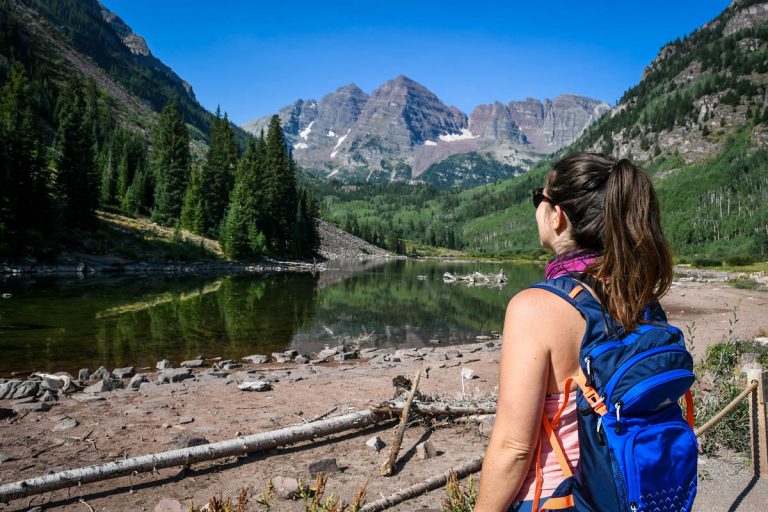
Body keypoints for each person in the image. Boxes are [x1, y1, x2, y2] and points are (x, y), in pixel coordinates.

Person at [473, 153, 673, 511]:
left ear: (558, 216)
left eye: (540, 197)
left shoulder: (534, 307)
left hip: (559, 500)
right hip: (633, 495)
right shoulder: (640, 298)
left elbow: (514, 449)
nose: (538, 208)